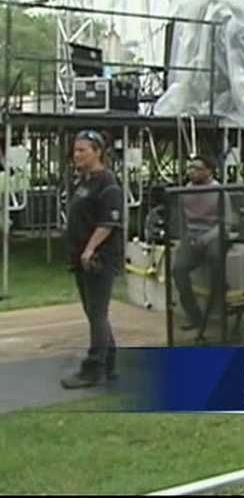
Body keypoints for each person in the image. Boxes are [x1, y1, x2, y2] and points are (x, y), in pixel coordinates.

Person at [62, 130, 124, 389]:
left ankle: (93, 369)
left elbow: (108, 223)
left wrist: (90, 249)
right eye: (75, 150)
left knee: (97, 313)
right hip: (81, 257)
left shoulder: (107, 183)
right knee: (94, 312)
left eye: (82, 150)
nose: (76, 155)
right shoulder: (85, 181)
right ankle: (109, 362)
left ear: (97, 152)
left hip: (99, 258)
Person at [173, 155, 233, 335]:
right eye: (190, 168)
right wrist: (185, 240)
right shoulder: (185, 192)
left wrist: (206, 239)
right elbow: (182, 222)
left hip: (214, 235)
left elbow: (226, 224)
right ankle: (195, 317)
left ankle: (220, 298)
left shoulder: (220, 192)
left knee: (215, 258)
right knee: (178, 269)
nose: (191, 172)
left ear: (209, 171)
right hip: (192, 237)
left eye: (197, 168)